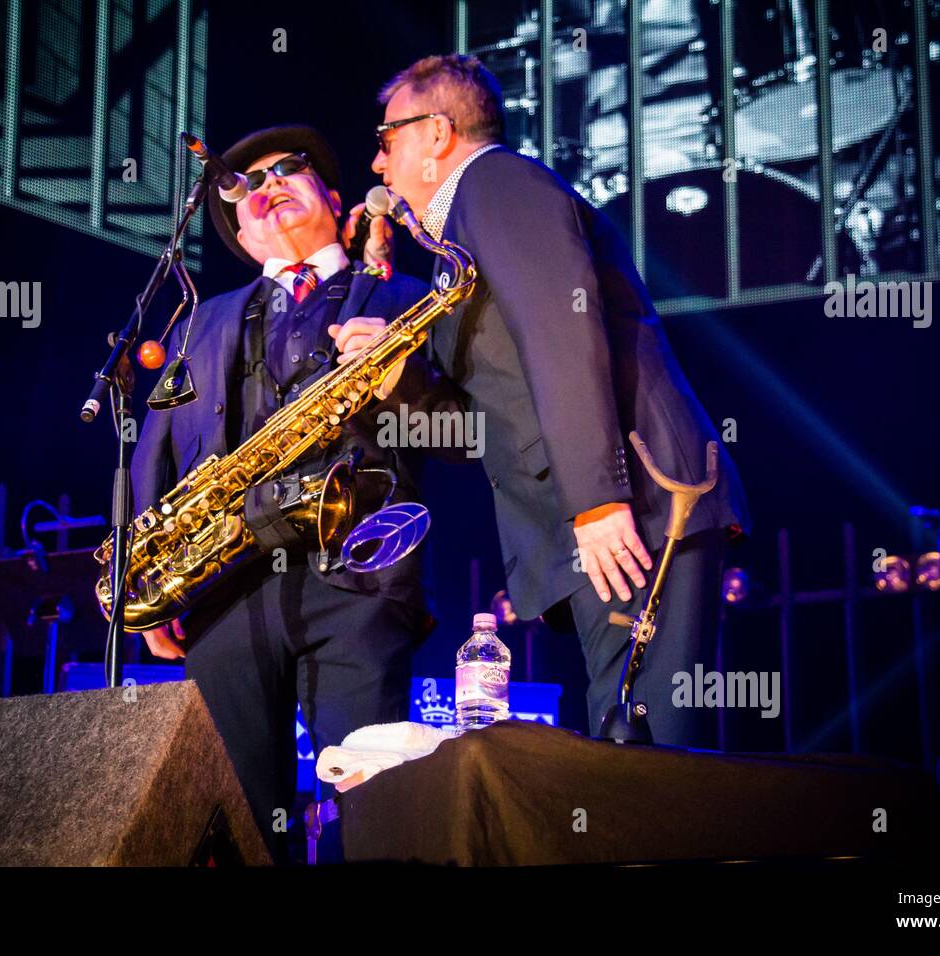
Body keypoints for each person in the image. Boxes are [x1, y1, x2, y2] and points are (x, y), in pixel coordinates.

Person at [365, 55, 750, 746]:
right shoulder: (460, 237)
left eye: (387, 139)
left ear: (438, 132)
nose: (377, 163)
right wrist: (399, 380)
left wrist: (598, 500)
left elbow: (561, 333)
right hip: (597, 522)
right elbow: (484, 428)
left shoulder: (495, 183)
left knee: (651, 760)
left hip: (638, 505)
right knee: (626, 749)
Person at [130, 125, 434, 861]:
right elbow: (157, 453)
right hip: (219, 587)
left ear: (334, 196)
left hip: (356, 580)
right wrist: (146, 581)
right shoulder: (198, 319)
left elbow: (461, 434)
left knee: (371, 813)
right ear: (238, 227)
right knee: (234, 819)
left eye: (290, 167)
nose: (268, 183)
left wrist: (405, 381)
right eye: (250, 181)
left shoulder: (408, 295)